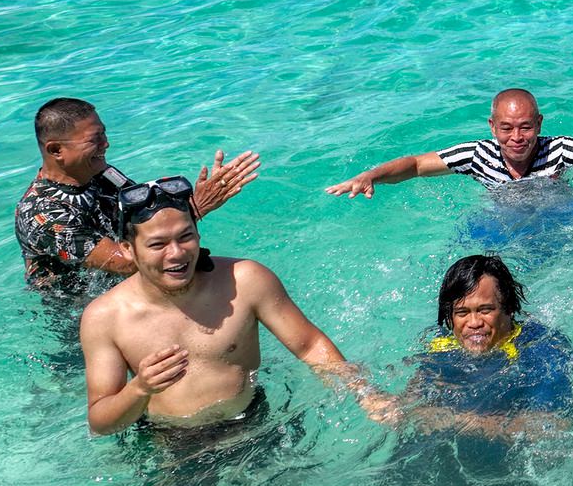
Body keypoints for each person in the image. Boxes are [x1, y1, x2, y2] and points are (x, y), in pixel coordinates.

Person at [79, 176, 390, 437]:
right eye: (157, 244)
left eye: (186, 237)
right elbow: (101, 422)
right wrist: (140, 389)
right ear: (127, 249)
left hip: (254, 419)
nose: (176, 254)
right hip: (170, 439)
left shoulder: (245, 281)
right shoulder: (105, 317)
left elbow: (309, 346)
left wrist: (365, 394)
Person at [15, 97, 258, 297]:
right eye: (94, 139)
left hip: (135, 290)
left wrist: (182, 202)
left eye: (104, 134)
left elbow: (146, 219)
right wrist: (195, 207)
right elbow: (125, 263)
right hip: (80, 320)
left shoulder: (100, 172)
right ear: (56, 150)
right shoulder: (43, 212)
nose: (106, 144)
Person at [326, 89, 573, 197]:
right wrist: (373, 174)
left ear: (539, 124)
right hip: (504, 219)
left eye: (526, 127)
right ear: (492, 126)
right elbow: (416, 165)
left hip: (559, 212)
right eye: (506, 128)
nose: (517, 138)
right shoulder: (477, 155)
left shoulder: (557, 149)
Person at [386, 254, 573, 439]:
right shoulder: (443, 344)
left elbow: (555, 428)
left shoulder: (543, 347)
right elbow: (408, 405)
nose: (474, 322)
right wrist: (366, 390)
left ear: (508, 308)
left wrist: (454, 420)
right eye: (462, 313)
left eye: (485, 310)